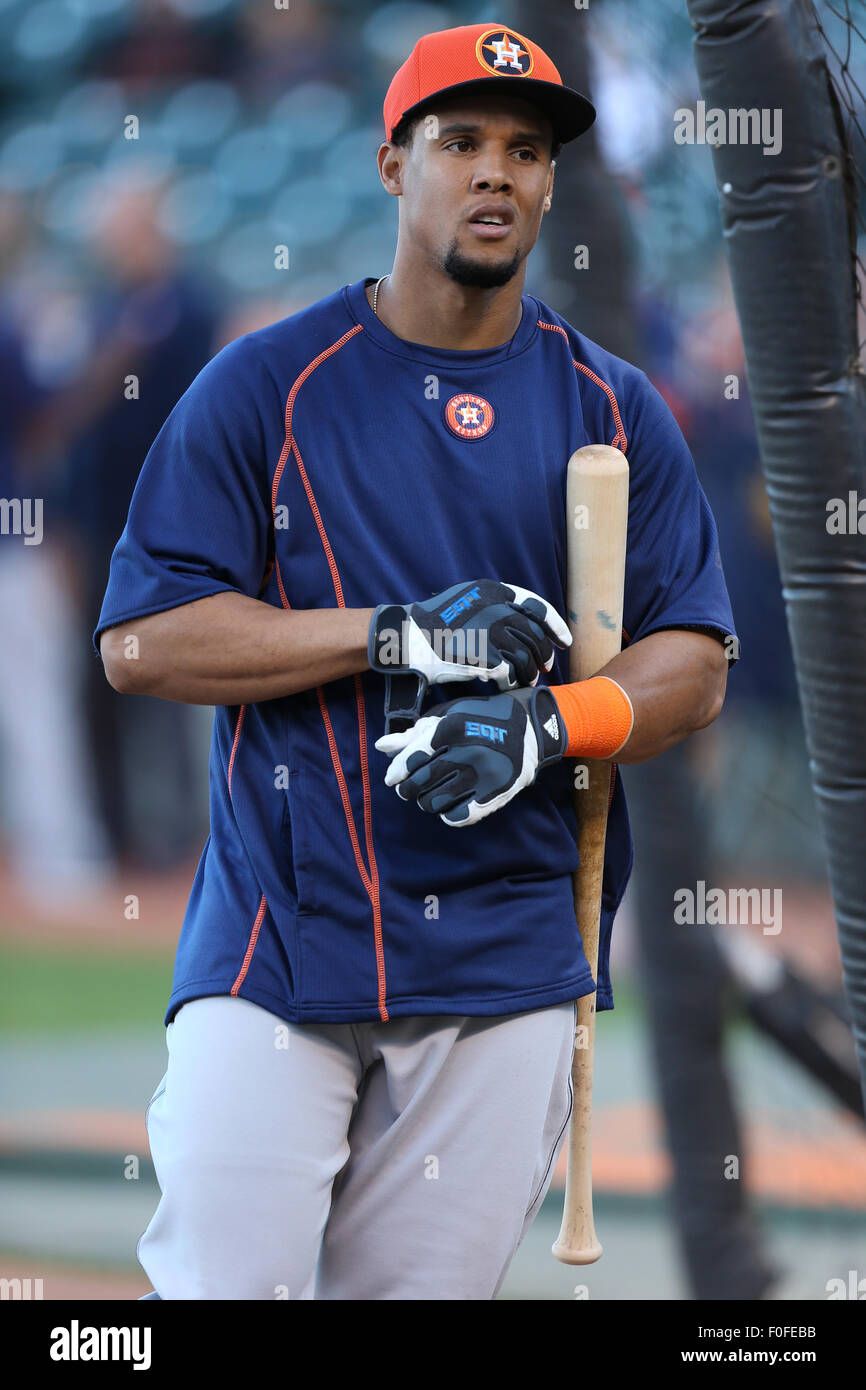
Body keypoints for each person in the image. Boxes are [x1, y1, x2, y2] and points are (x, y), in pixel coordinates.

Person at [96, 23, 736, 1300]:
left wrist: (554, 725)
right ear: (395, 165)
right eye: (459, 143)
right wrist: (396, 633)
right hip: (280, 931)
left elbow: (693, 662)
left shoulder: (612, 407)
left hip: (505, 946)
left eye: (524, 149)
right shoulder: (261, 387)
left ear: (552, 184)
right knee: (231, 1288)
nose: (494, 173)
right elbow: (142, 638)